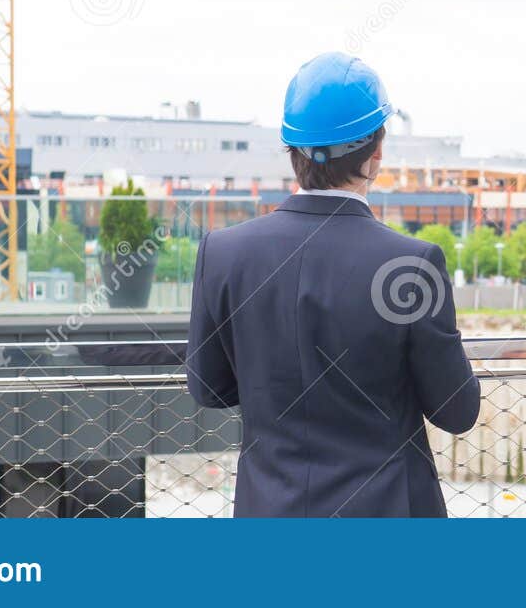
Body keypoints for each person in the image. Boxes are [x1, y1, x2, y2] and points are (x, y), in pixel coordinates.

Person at [186, 52, 480, 517]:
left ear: (291, 149)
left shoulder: (223, 253)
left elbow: (209, 389)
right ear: (376, 152)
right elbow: (456, 411)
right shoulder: (412, 264)